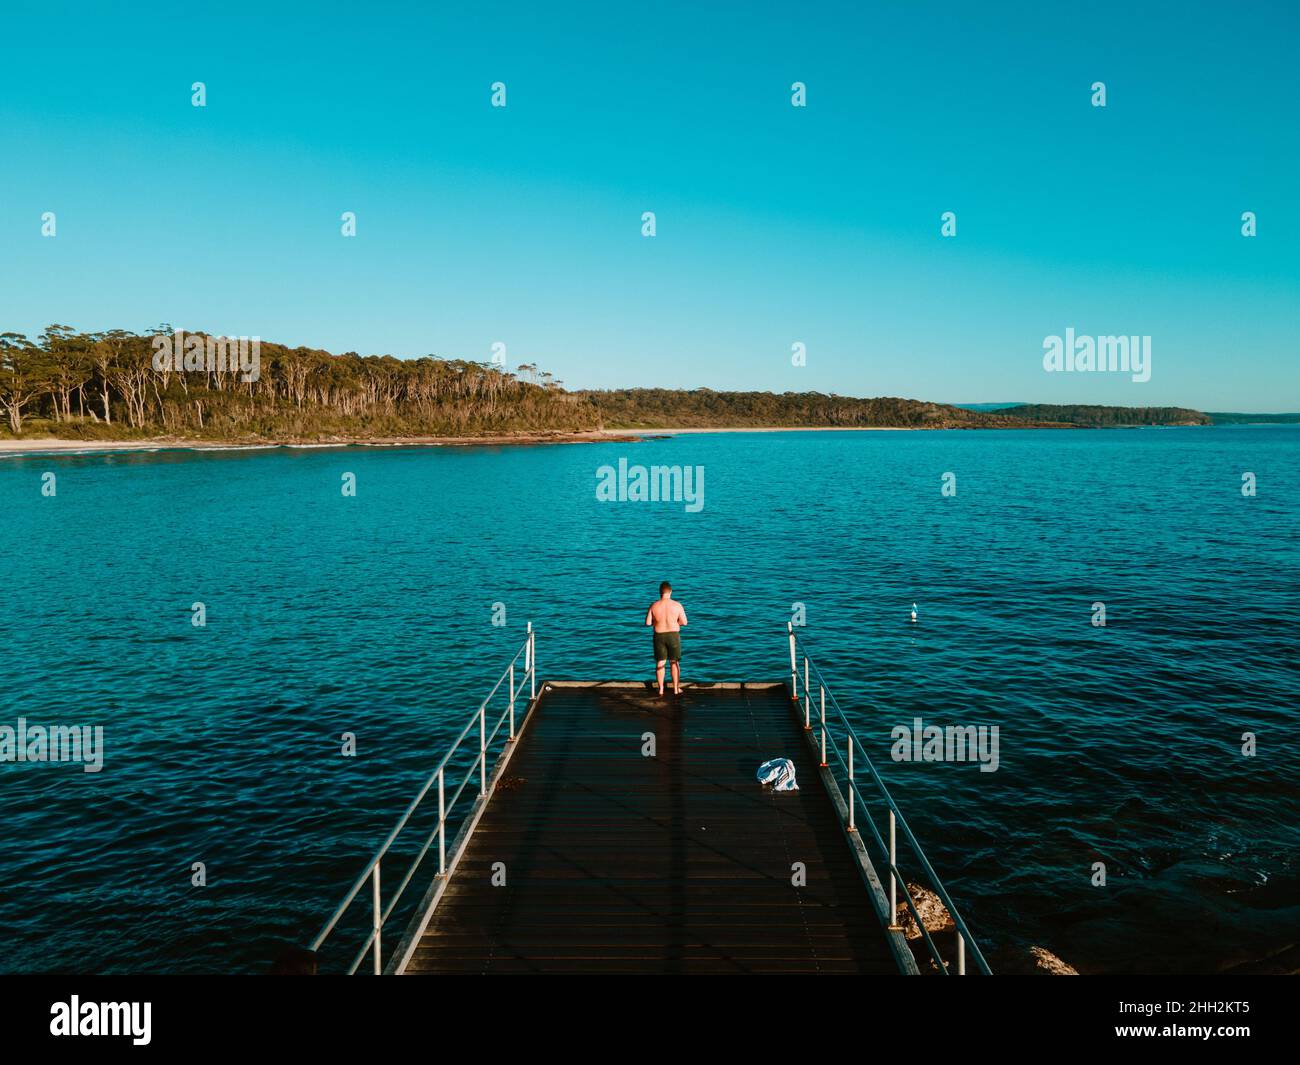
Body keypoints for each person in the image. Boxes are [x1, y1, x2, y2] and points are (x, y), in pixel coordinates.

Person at [645, 581, 687, 696]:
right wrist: (675, 622)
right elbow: (685, 622)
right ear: (671, 592)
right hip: (673, 635)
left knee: (660, 663)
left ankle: (661, 689)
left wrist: (657, 622)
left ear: (660, 592)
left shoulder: (654, 605)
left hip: (659, 636)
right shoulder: (677, 605)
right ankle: (676, 689)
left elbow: (648, 623)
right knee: (674, 662)